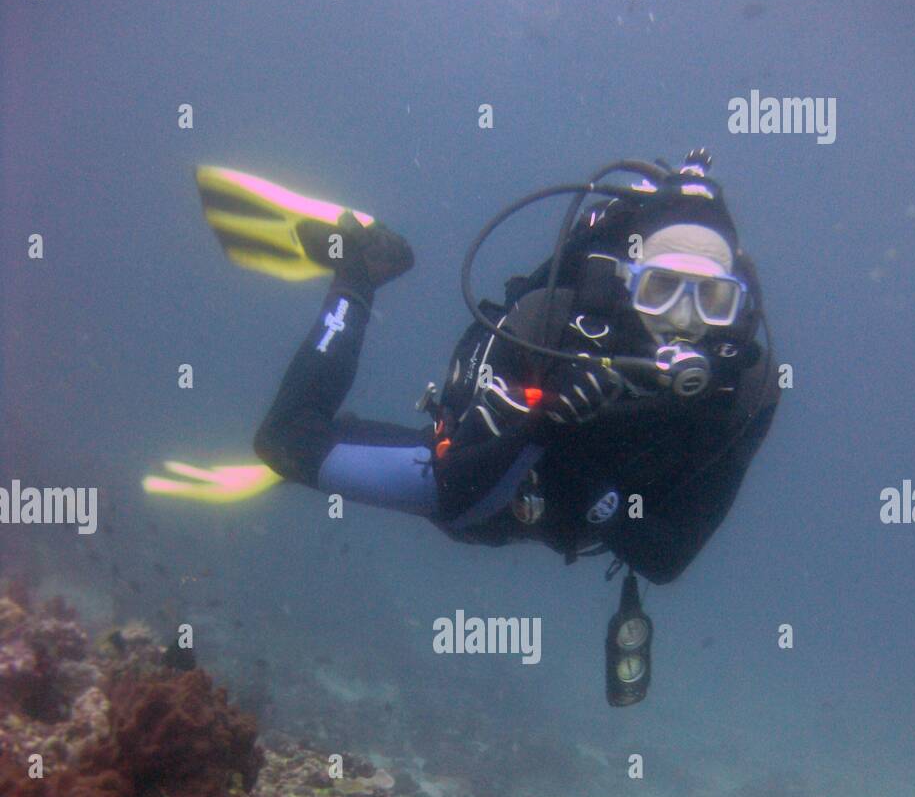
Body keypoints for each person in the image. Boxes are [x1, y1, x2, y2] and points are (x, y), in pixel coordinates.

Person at [197, 153, 781, 703]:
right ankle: (359, 272)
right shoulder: (553, 326)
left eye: (712, 300)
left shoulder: (744, 396)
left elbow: (666, 559)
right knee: (285, 441)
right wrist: (542, 427)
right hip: (487, 482)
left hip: (563, 514)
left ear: (739, 307)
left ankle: (355, 424)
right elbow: (456, 500)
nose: (684, 322)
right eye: (662, 291)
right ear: (630, 286)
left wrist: (577, 461)